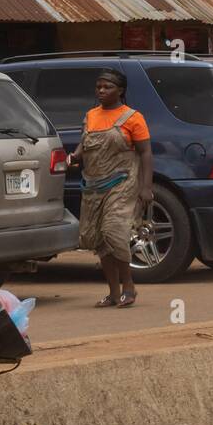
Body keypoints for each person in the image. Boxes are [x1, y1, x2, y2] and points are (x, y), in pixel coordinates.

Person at [69, 69, 154, 307]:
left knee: (113, 232)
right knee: (99, 240)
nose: (101, 91)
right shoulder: (91, 115)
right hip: (94, 186)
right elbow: (85, 144)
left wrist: (146, 187)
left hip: (123, 183)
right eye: (98, 87)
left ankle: (129, 286)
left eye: (107, 87)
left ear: (120, 91)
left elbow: (146, 152)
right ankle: (113, 293)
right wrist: (74, 157)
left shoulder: (132, 117)